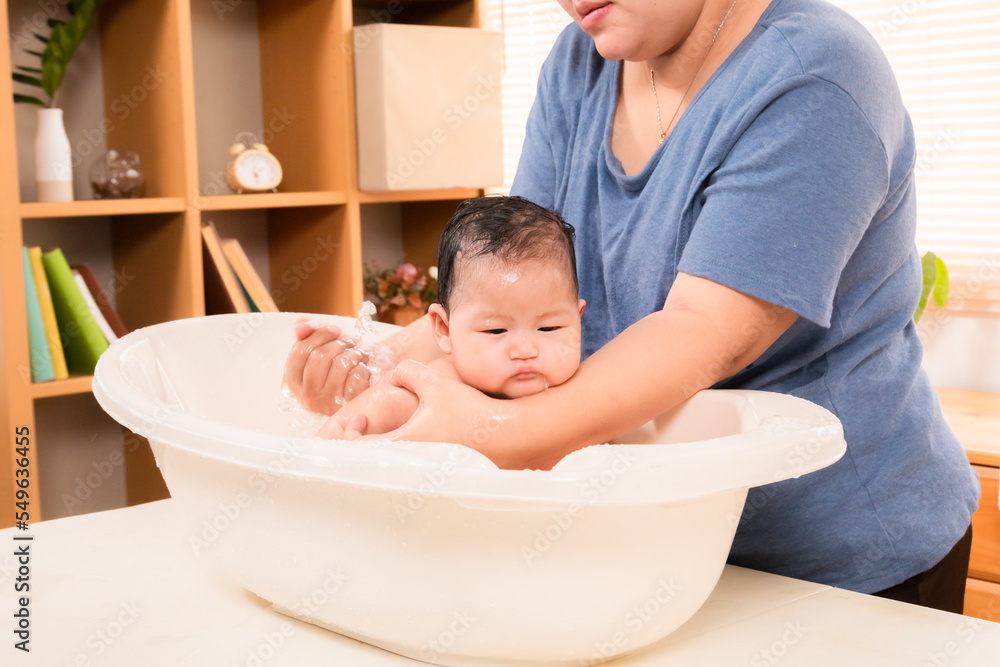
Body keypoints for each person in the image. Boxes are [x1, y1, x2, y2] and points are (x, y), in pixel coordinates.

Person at [285, 0, 979, 613]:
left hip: (839, 563)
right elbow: (514, 286)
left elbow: (704, 332)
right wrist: (380, 365)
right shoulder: (579, 63)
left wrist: (484, 427)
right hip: (656, 549)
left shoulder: (817, 75)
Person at [315, 195, 585, 439]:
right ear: (444, 330)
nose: (526, 350)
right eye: (496, 331)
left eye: (550, 328)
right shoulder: (420, 391)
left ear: (578, 320)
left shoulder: (587, 390)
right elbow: (327, 442)